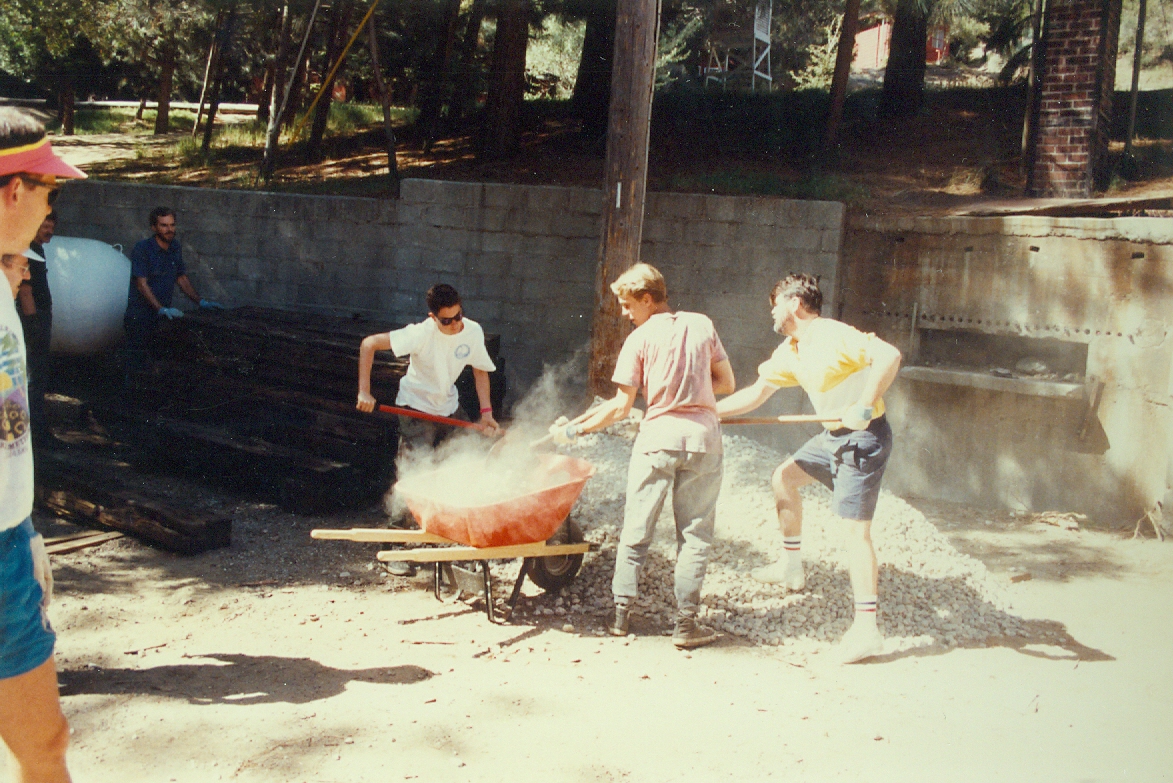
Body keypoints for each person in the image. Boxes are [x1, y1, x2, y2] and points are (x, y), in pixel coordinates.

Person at [716, 273, 902, 664]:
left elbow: (890, 356)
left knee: (854, 532)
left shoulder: (833, 335)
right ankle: (791, 567)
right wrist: (707, 413)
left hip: (863, 437)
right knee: (784, 478)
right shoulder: (792, 349)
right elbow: (755, 394)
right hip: (832, 436)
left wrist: (865, 404)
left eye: (775, 303)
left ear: (795, 303)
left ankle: (867, 630)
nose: (770, 311)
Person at [550, 263, 735, 649]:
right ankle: (686, 626)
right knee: (695, 535)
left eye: (628, 304)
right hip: (703, 441)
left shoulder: (639, 339)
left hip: (656, 441)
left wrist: (574, 429)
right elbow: (727, 383)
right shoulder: (702, 324)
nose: (624, 312)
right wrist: (693, 395)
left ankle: (621, 616)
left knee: (637, 527)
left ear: (648, 300)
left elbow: (620, 406)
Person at [0, 106, 85, 783]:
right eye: (49, 190)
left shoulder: (6, 274)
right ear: (12, 191)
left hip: (7, 538)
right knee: (43, 744)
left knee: (44, 742)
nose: (52, 205)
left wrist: (25, 527)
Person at [356, 283, 500, 575]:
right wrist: (364, 392)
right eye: (447, 320)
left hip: (447, 407)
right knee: (414, 474)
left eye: (458, 315)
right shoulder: (420, 333)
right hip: (415, 409)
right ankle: (394, 547)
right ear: (433, 317)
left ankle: (452, 535)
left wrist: (486, 413)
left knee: (465, 462)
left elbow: (480, 369)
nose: (455, 324)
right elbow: (369, 343)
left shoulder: (471, 331)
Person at [123, 207, 221, 383]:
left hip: (161, 318)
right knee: (136, 367)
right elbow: (141, 284)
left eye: (172, 225)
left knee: (158, 365)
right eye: (164, 225)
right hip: (140, 317)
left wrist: (201, 302)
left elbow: (181, 277)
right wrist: (160, 309)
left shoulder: (175, 247)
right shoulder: (142, 249)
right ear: (154, 227)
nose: (170, 230)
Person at [19, 212, 56, 443]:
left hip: (41, 317)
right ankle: (36, 432)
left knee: (39, 375)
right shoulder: (27, 250)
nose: (49, 231)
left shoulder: (38, 249)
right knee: (35, 375)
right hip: (33, 319)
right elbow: (26, 289)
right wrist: (33, 324)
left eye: (52, 227)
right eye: (44, 227)